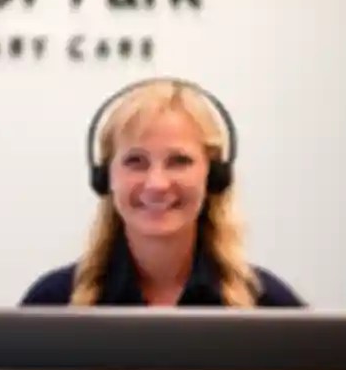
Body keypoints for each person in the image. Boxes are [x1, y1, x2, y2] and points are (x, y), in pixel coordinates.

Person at [20, 77, 305, 308]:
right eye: (136, 161)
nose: (157, 183)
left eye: (179, 161)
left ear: (214, 176)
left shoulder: (268, 304)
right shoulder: (53, 302)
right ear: (106, 177)